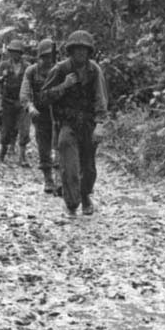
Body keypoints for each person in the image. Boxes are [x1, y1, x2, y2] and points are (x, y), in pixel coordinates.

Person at [40, 30, 108, 216]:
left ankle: (85, 195)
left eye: (84, 49)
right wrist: (64, 86)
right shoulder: (60, 70)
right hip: (67, 124)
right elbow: (43, 98)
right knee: (69, 166)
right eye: (77, 49)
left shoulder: (94, 70)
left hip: (88, 124)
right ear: (70, 51)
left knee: (89, 167)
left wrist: (100, 124)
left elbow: (100, 98)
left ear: (89, 51)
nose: (80, 53)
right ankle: (71, 202)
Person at [20, 38, 57, 192]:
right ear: (40, 56)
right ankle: (48, 178)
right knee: (43, 146)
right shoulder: (32, 71)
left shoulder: (60, 68)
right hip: (41, 113)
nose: (48, 60)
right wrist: (29, 106)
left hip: (59, 113)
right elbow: (25, 91)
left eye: (51, 56)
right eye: (45, 56)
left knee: (61, 144)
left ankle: (61, 178)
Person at [0, 39, 29, 163]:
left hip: (22, 102)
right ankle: (3, 149)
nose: (15, 54)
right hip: (8, 101)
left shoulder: (27, 67)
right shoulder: (4, 65)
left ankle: (22, 155)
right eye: (13, 52)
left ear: (21, 53)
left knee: (24, 129)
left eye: (17, 52)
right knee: (6, 128)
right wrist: (1, 77)